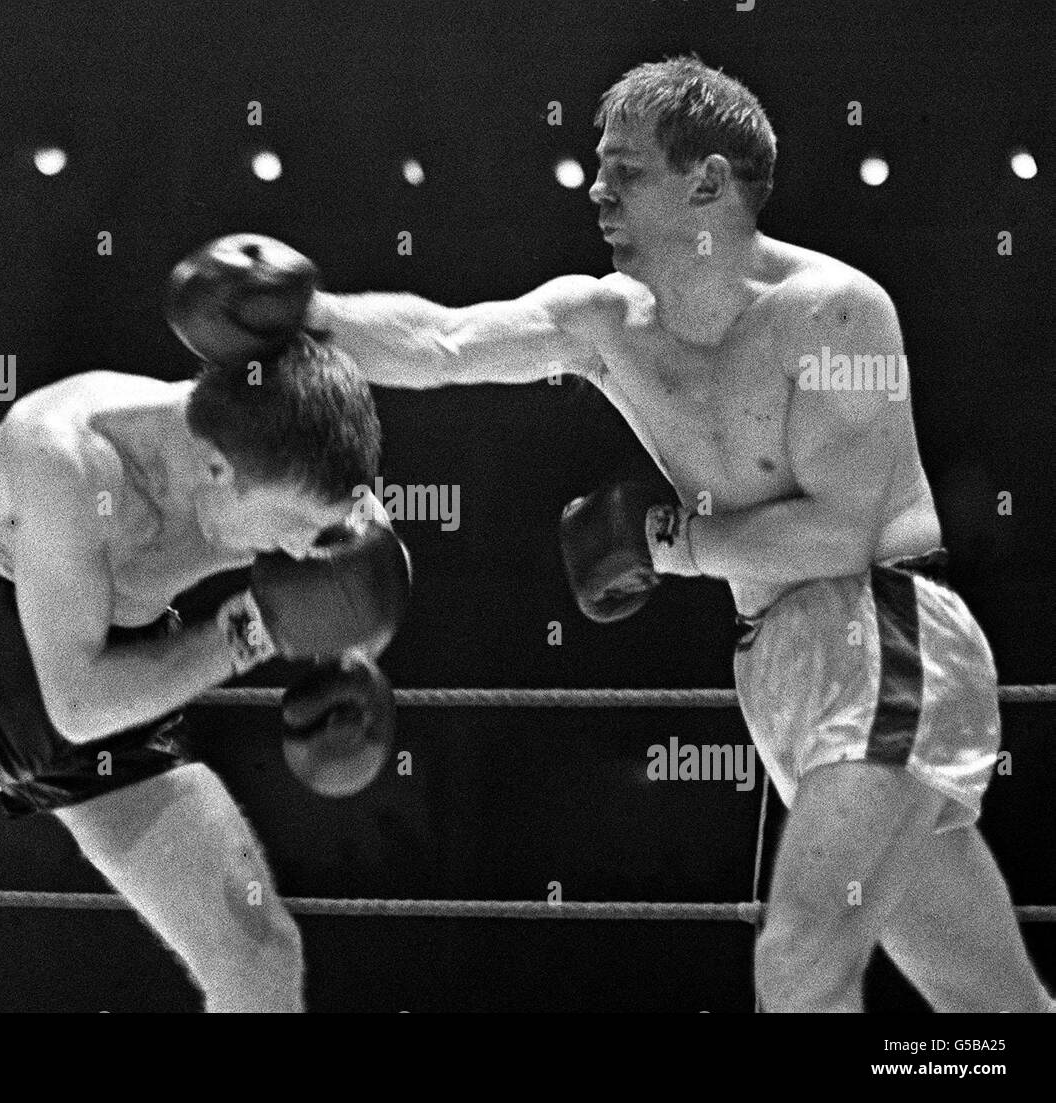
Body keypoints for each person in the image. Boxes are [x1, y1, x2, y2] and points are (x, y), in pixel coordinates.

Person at [302, 56, 1053, 1012]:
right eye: (598, 167)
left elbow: (839, 533)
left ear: (708, 181)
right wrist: (307, 317)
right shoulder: (606, 319)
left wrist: (663, 543)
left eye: (627, 170)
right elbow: (443, 342)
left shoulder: (836, 312)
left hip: (883, 639)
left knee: (799, 966)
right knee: (992, 1012)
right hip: (778, 664)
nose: (598, 189)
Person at [0, 267, 411, 1012]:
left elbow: (360, 554)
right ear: (218, 469)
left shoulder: (303, 451)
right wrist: (256, 631)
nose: (303, 552)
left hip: (120, 656)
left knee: (258, 952)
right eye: (295, 525)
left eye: (321, 534)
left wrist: (351, 642)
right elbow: (74, 702)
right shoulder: (65, 455)